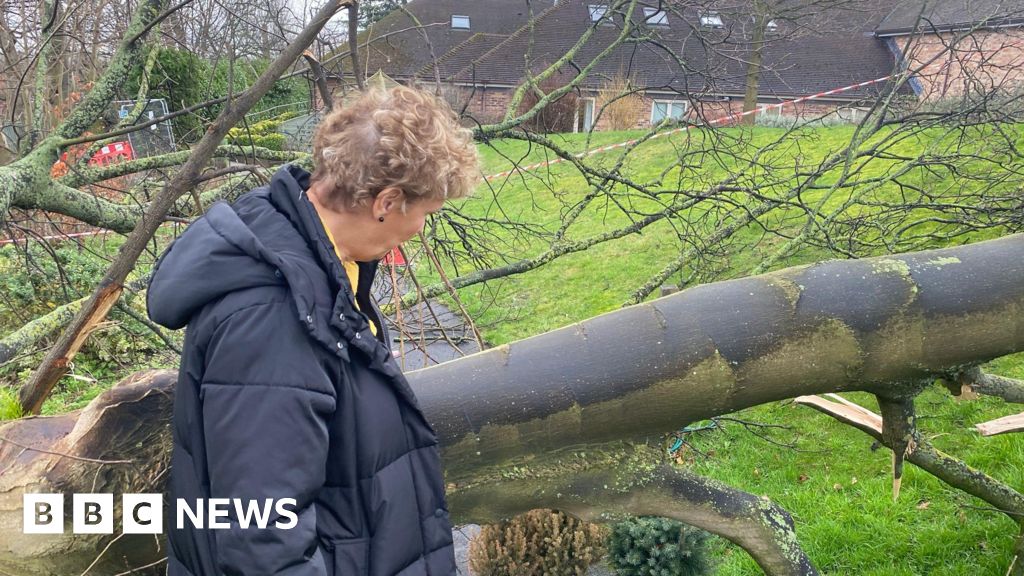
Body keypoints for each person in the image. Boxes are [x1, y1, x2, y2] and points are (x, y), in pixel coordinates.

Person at [146, 85, 480, 576]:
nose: (422, 230)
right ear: (386, 201)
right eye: (426, 213)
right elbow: (262, 537)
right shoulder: (273, 319)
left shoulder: (322, 265)